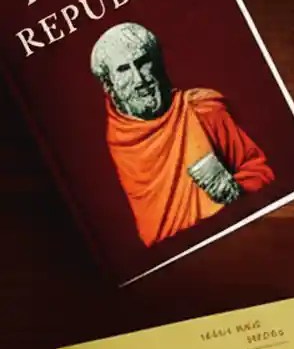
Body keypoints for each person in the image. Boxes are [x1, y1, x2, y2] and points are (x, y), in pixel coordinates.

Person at [90, 22, 275, 247]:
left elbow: (261, 172)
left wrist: (235, 189)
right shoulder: (111, 143)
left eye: (142, 63)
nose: (139, 79)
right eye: (124, 69)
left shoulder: (202, 110)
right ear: (109, 85)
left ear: (157, 64)